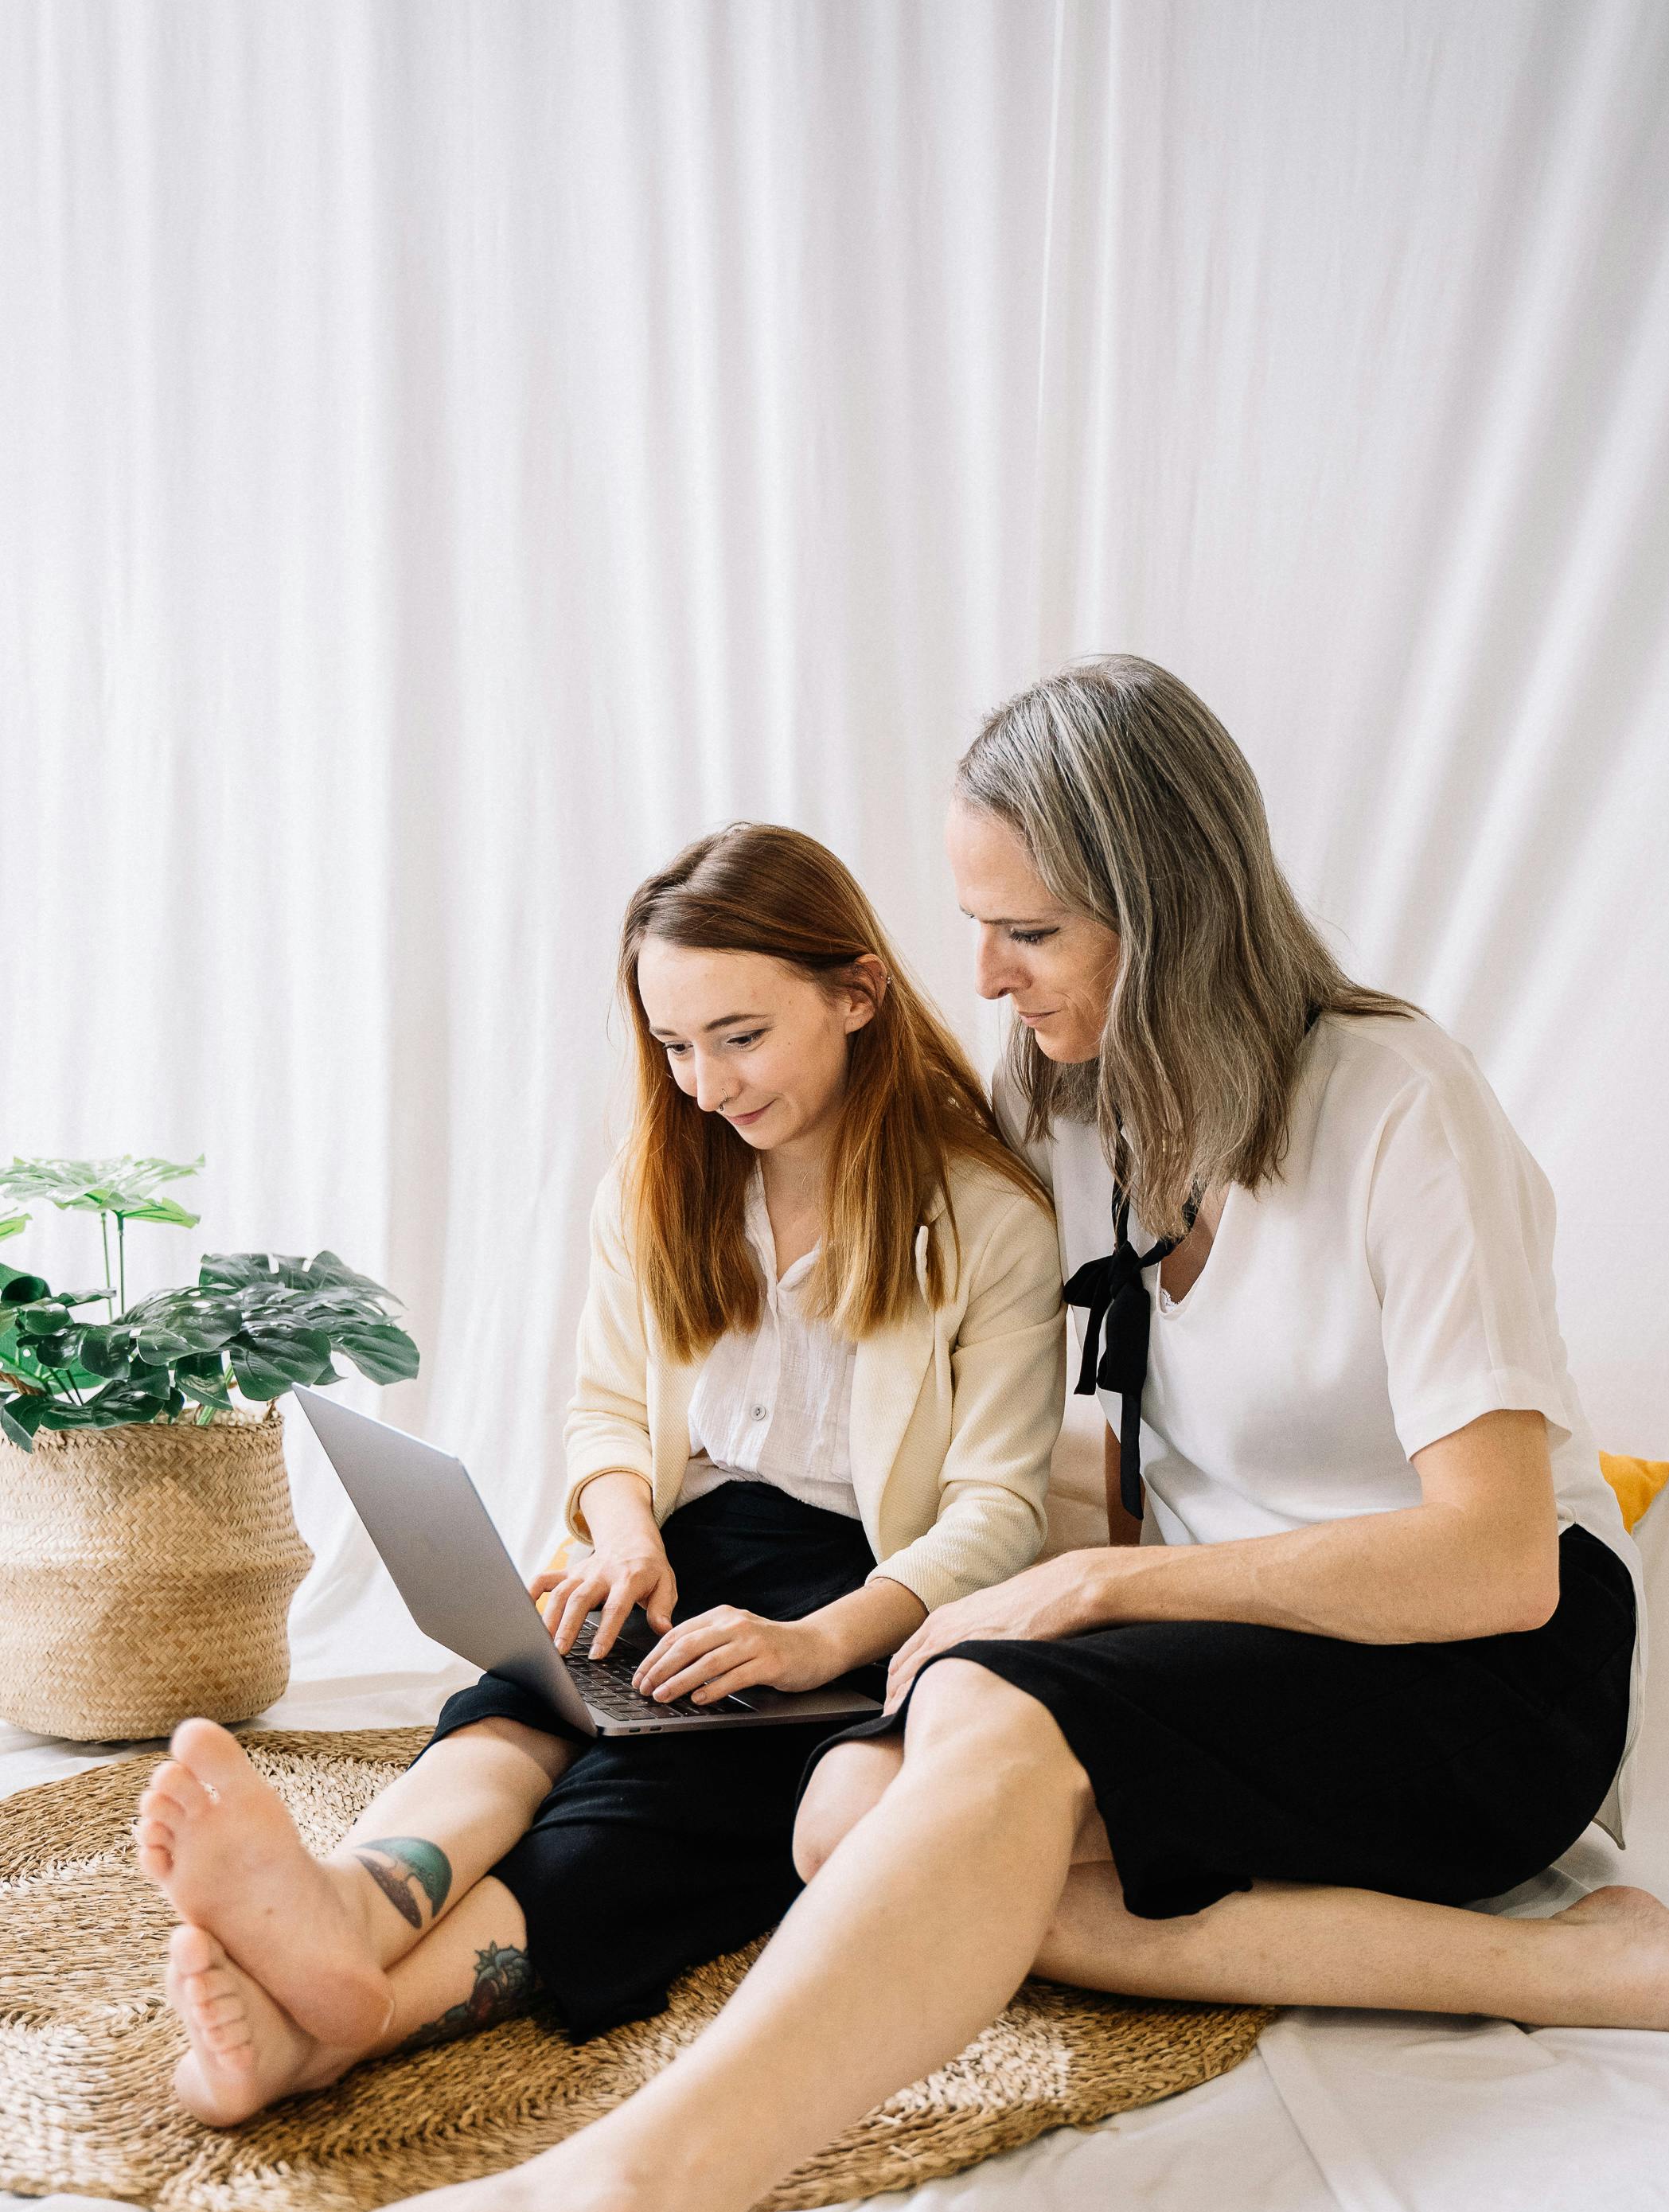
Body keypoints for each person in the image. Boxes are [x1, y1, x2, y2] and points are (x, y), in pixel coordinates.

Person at [117, 663, 1669, 2212]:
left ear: (1169, 911)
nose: (989, 977)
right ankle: (1579, 1967)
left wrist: (1089, 1581)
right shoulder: (1082, 1111)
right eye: (976, 925)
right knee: (846, 1813)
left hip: (1482, 1673)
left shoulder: (1403, 1107)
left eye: (1027, 928)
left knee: (989, 1725)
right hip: (1234, 1666)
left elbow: (1500, 1565)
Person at [130, 821, 1063, 2124]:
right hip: (680, 1548)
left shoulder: (989, 1218)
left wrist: (815, 1644)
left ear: (856, 994)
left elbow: (1000, 1512)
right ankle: (347, 1904)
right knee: (523, 1711)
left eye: (740, 1035)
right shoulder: (659, 1184)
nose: (707, 1085)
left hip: (859, 1599)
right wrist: (621, 1534)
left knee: (654, 1789)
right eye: (674, 1047)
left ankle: (351, 2022)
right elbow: (609, 1413)